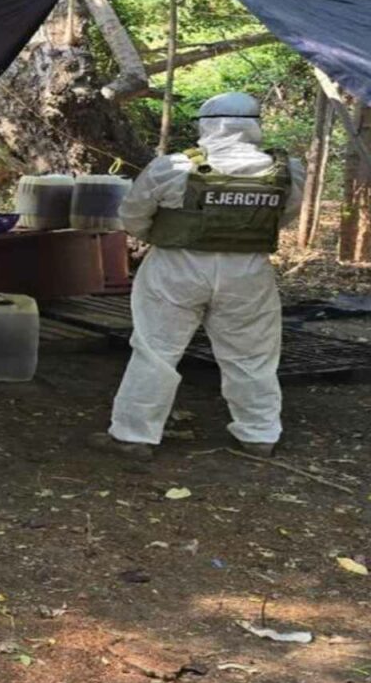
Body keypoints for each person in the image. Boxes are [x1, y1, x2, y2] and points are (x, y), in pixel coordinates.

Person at [91, 91, 303, 462]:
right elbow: (285, 216)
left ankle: (134, 435)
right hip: (249, 272)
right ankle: (259, 435)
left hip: (176, 268)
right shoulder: (287, 169)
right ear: (255, 126)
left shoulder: (172, 167)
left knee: (156, 351)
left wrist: (157, 237)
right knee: (251, 356)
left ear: (207, 125)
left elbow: (133, 216)